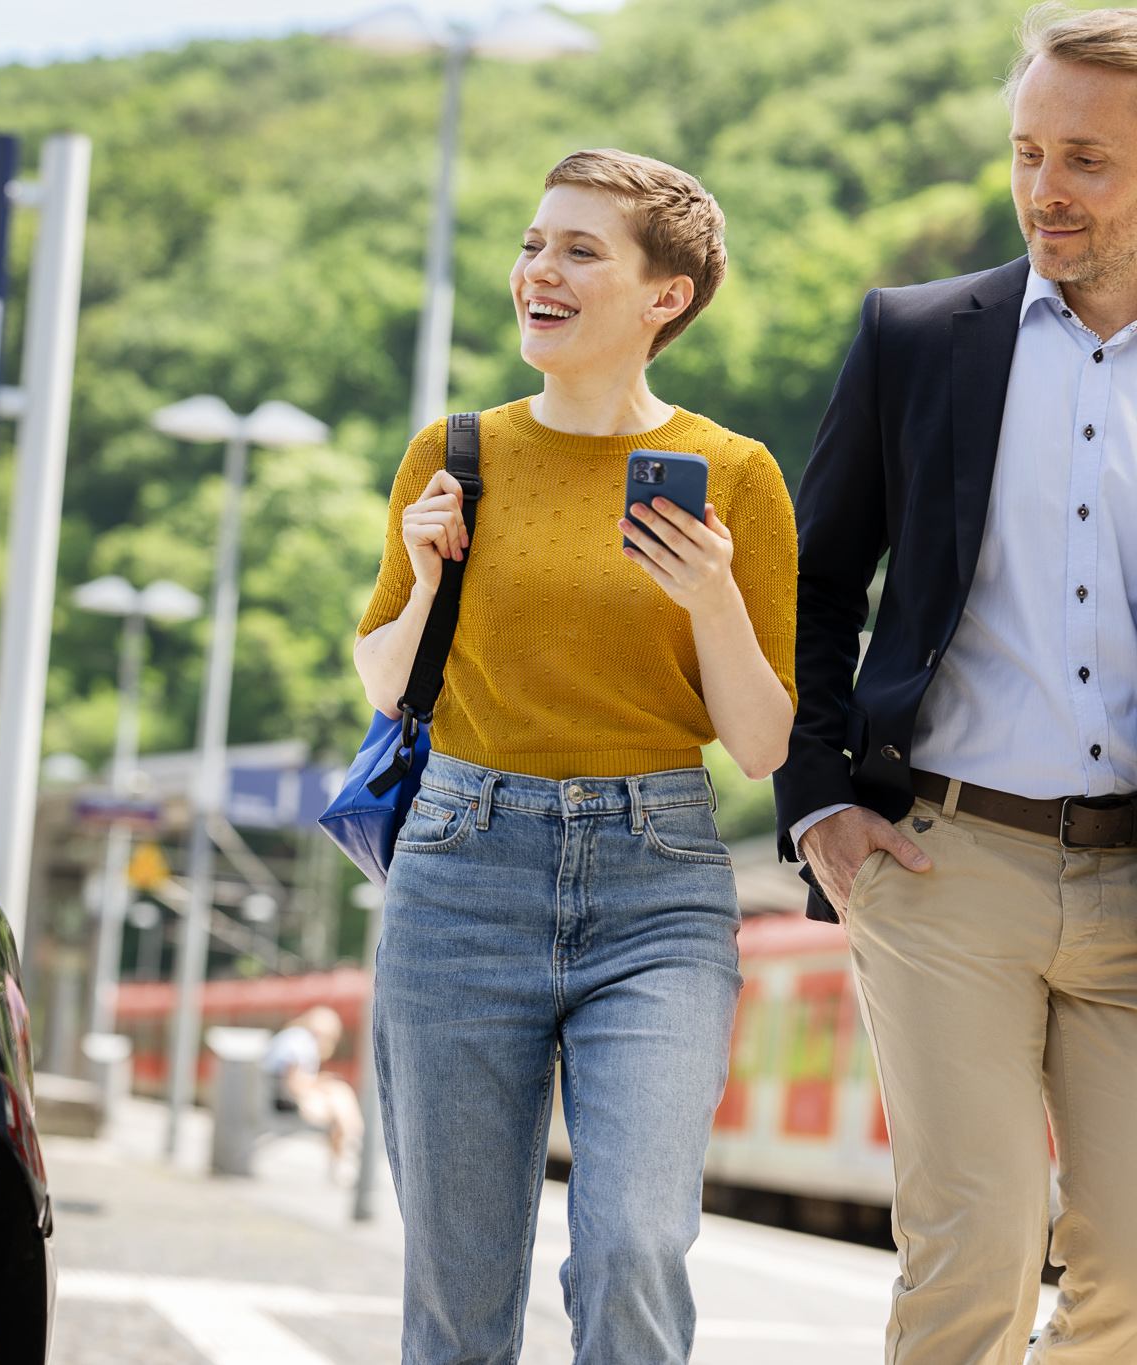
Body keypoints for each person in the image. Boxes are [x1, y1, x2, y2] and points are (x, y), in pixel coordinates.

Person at [354, 149, 796, 1362]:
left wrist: (710, 595)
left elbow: (760, 742)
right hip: (460, 867)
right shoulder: (452, 451)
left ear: (666, 296)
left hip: (656, 886)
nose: (537, 270)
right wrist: (425, 575)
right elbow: (387, 682)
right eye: (532, 244)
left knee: (632, 1248)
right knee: (456, 1291)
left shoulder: (736, 477)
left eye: (579, 251)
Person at [776, 8, 1137, 1359]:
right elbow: (814, 583)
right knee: (973, 1252)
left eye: (1087, 160)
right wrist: (816, 802)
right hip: (944, 861)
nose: (1046, 189)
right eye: (1027, 153)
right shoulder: (919, 337)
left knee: (1133, 1279)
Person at [261, 1006, 362, 1178]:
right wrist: (321, 1083)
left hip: (277, 1095)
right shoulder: (300, 1040)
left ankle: (347, 1145)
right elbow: (294, 1084)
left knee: (338, 1095)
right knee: (338, 1096)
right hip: (284, 1101)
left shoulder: (295, 1037)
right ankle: (349, 1142)